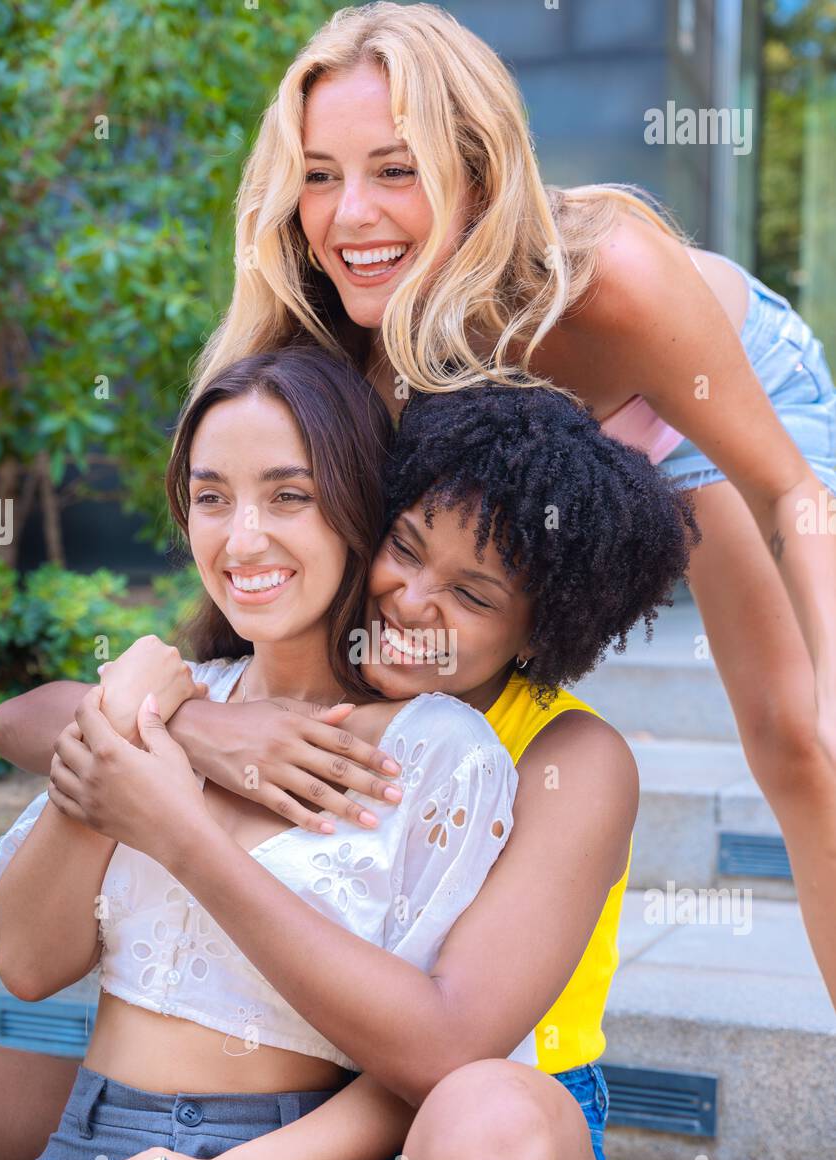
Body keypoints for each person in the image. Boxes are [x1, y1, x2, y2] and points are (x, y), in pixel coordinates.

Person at [0, 351, 698, 1160]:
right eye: (406, 547)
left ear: (539, 631)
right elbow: (25, 740)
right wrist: (175, 725)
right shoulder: (222, 700)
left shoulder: (528, 758)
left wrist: (172, 821)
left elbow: (449, 1047)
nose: (413, 599)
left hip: (490, 1154)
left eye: (475, 594)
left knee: (479, 1115)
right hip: (128, 1136)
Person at [181, 0, 836, 1006]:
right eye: (319, 175)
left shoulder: (608, 274)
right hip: (518, 443)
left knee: (795, 739)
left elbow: (785, 489)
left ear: (475, 175)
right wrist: (196, 718)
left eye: (394, 169)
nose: (349, 213)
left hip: (690, 396)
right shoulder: (330, 335)